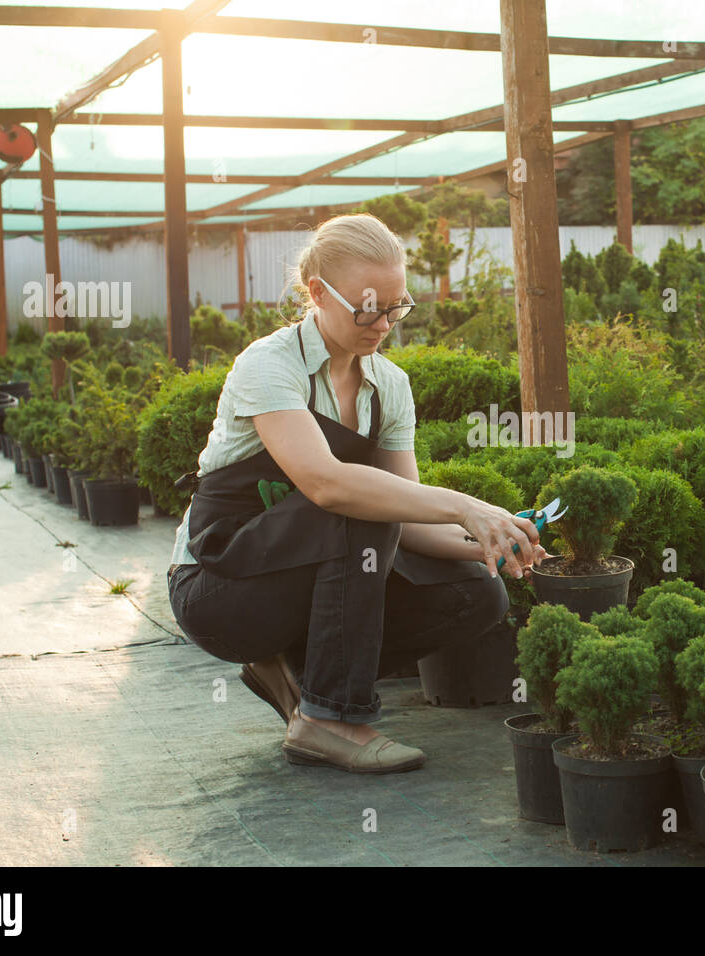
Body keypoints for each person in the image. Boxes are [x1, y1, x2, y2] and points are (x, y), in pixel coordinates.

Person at [167, 213, 546, 775]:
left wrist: (489, 542)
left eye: (397, 306)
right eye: (368, 307)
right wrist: (467, 504)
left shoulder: (389, 386)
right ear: (317, 292)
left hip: (306, 579)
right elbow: (326, 483)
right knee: (354, 502)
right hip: (221, 589)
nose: (384, 322)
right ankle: (329, 718)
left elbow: (409, 519)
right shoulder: (269, 366)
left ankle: (301, 674)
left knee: (477, 594)